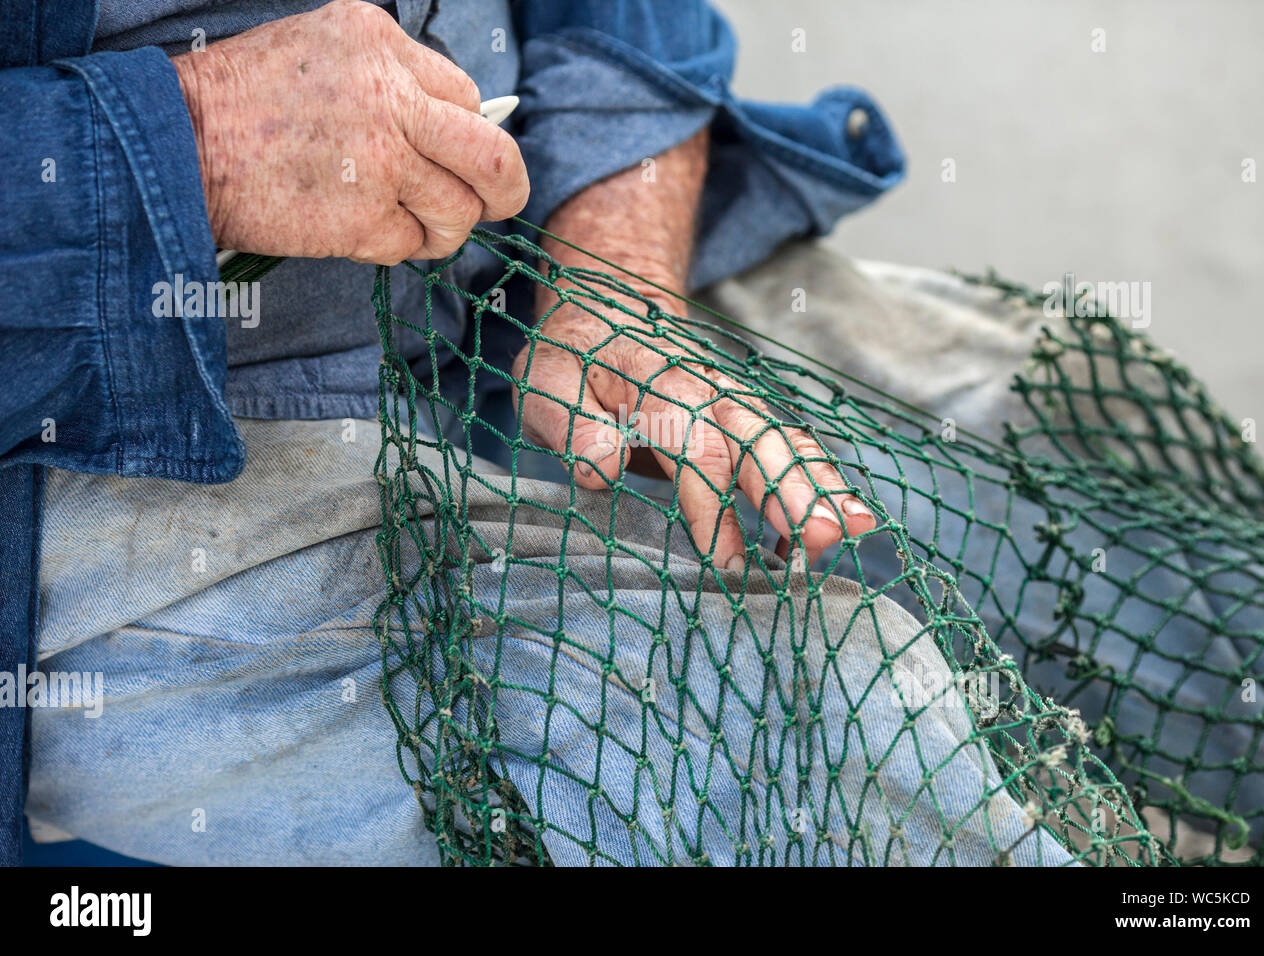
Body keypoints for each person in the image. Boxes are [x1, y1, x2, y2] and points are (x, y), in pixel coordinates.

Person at [8, 0, 1081, 866]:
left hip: (525, 262)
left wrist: (618, 271)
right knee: (827, 705)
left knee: (1049, 405)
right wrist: (192, 140)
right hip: (103, 438)